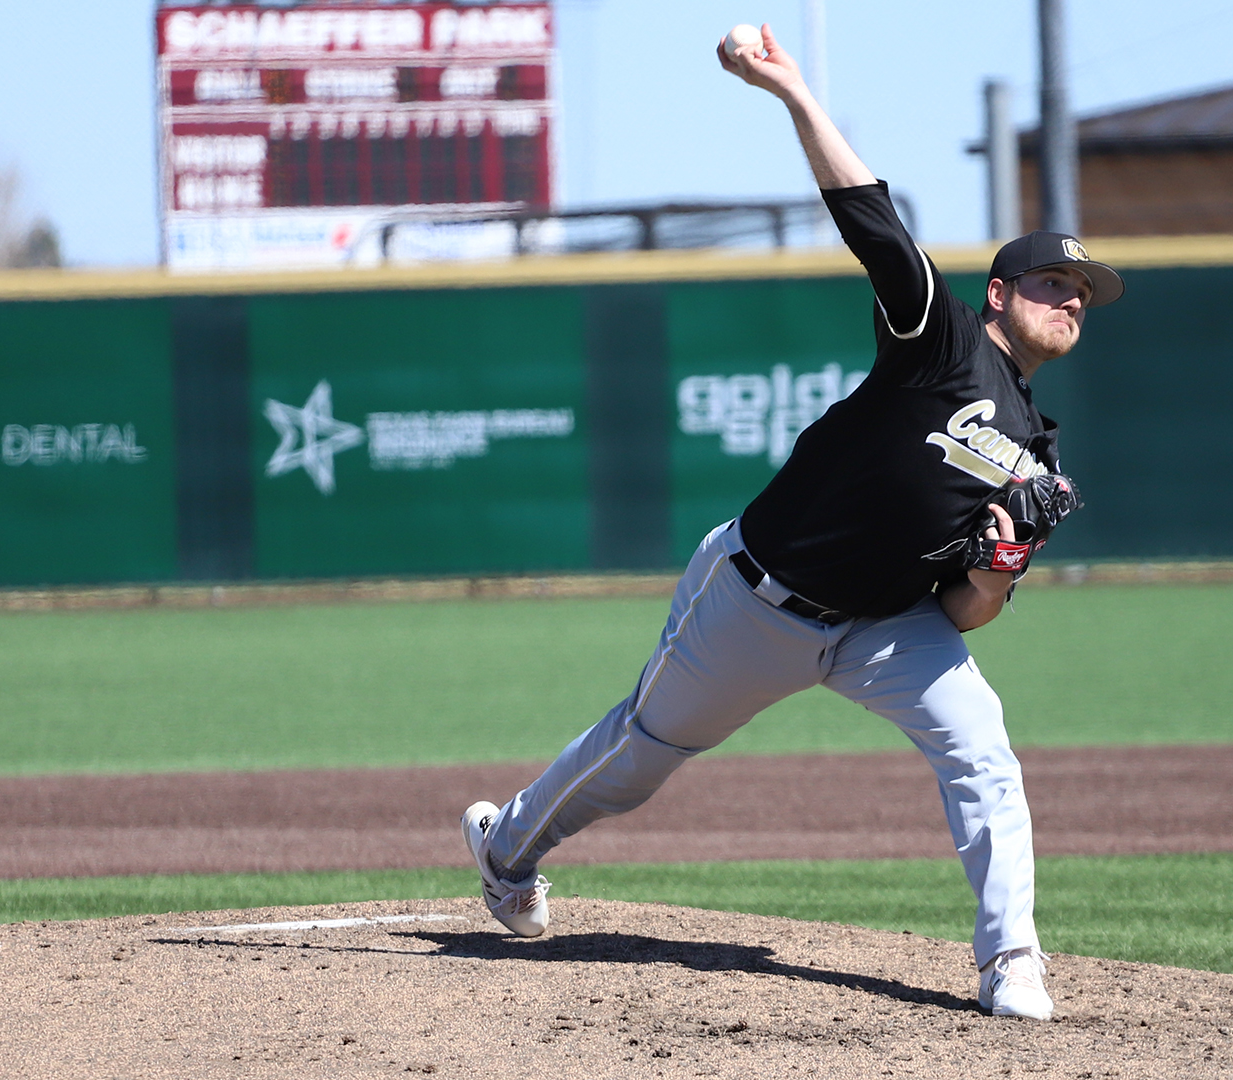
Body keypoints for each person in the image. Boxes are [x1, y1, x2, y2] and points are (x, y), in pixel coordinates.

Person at [460, 22, 1124, 1021]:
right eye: (1051, 282)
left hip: (890, 627)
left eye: (1081, 295)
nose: (1069, 301)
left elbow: (973, 607)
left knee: (983, 749)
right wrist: (793, 92)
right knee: (641, 757)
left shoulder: (1040, 455)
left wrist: (998, 563)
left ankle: (1012, 963)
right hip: (759, 595)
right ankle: (508, 847)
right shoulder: (940, 342)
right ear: (1000, 293)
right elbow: (875, 224)